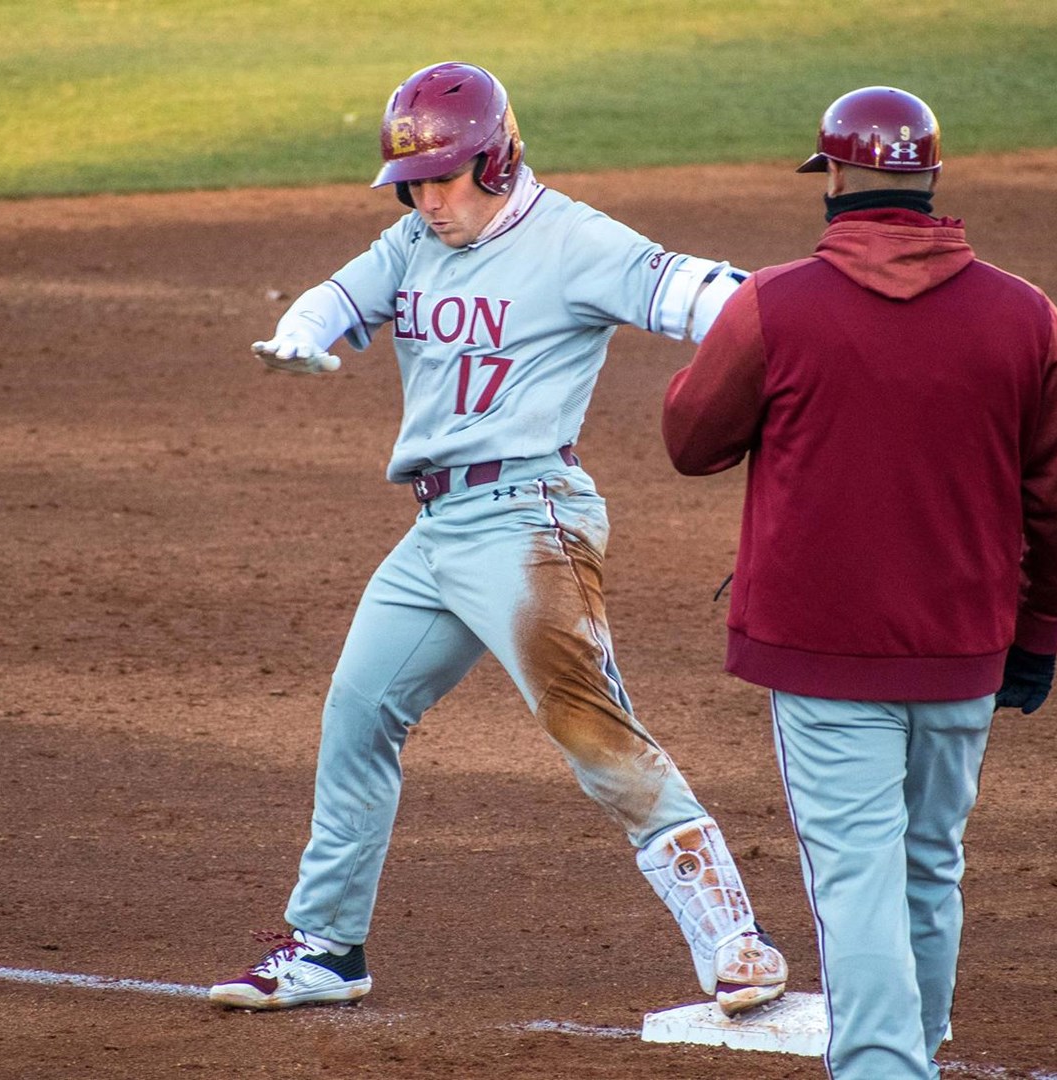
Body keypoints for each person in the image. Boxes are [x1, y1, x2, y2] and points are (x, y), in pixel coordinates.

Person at [208, 61, 787, 1016]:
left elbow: (714, 298)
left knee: (589, 725)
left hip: (527, 518)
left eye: (442, 179)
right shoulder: (413, 240)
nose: (427, 202)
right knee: (359, 713)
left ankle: (738, 941)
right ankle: (328, 948)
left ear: (497, 161)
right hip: (437, 531)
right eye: (411, 184)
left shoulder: (575, 241)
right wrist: (302, 331)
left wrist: (816, 320)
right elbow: (339, 297)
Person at [660, 86, 1057, 1078]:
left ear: (838, 179)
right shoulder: (1027, 317)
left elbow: (691, 441)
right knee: (928, 862)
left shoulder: (774, 305)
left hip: (822, 654)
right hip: (965, 650)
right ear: (930, 178)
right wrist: (1039, 636)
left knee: (857, 875)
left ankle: (885, 1070)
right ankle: (916, 1048)